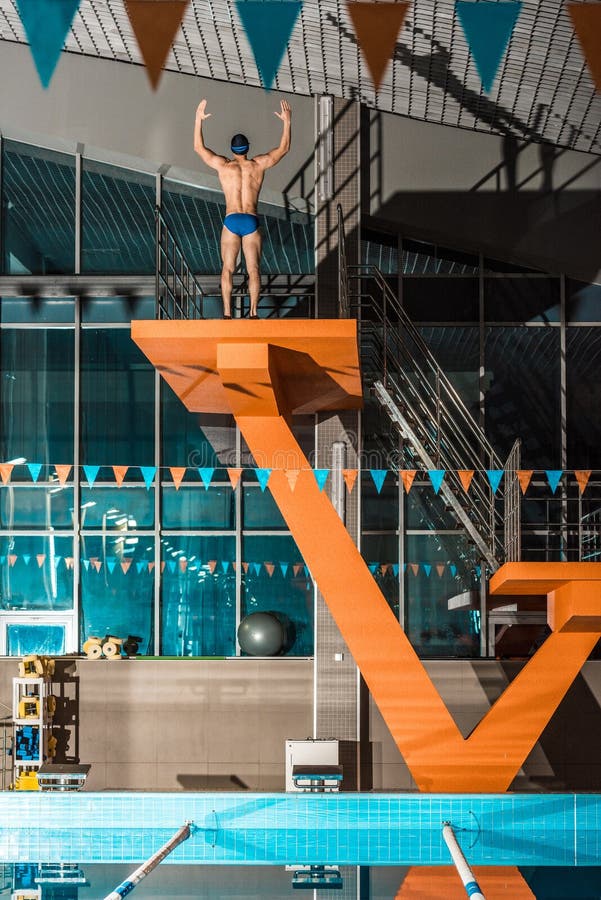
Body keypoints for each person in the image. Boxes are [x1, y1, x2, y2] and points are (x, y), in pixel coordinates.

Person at [194, 98, 292, 318]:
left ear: (232, 149)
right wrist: (287, 121)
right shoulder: (258, 165)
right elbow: (284, 148)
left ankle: (228, 314)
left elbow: (198, 148)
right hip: (250, 219)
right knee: (253, 269)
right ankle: (254, 312)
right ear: (247, 149)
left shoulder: (223, 165)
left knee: (227, 268)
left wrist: (198, 120)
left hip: (231, 220)